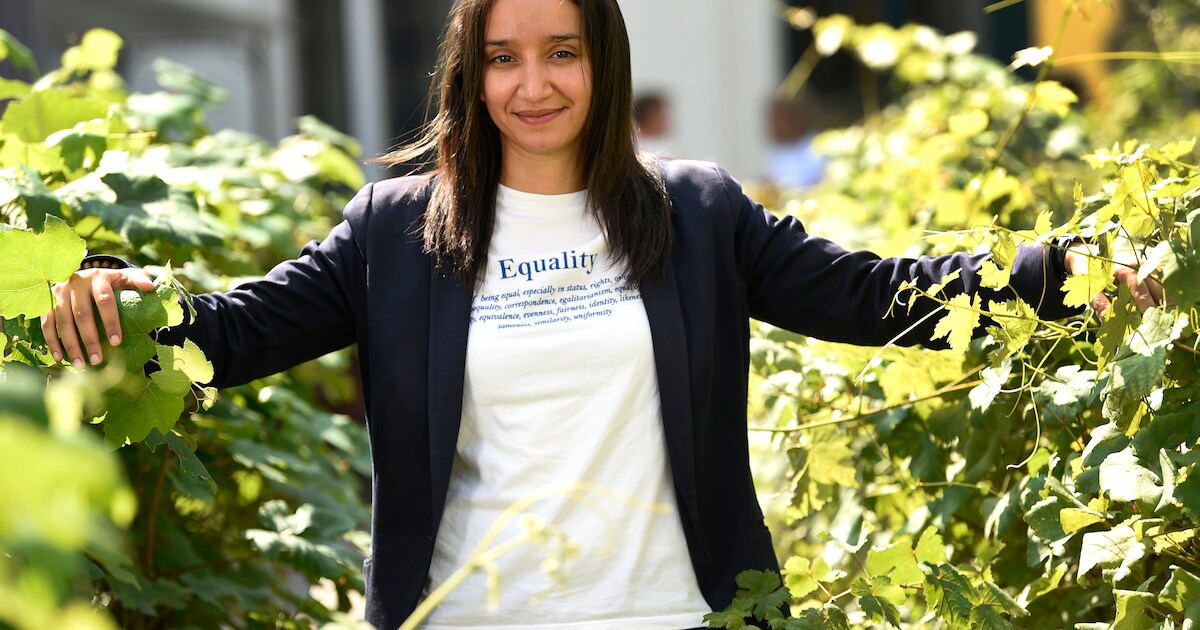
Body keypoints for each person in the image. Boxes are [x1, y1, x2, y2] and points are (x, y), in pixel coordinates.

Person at [42, 0, 1163, 628]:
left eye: (562, 53)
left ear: (604, 64)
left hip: (678, 617)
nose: (534, 85)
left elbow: (871, 295)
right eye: (503, 59)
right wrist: (107, 289)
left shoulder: (699, 213)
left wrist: (1068, 270)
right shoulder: (393, 231)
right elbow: (227, 334)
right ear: (468, 78)